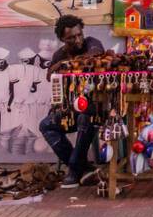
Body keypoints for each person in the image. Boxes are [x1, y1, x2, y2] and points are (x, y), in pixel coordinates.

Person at [38, 15, 106, 187]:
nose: (77, 40)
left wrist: (63, 64)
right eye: (71, 38)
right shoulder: (59, 54)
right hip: (70, 111)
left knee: (86, 116)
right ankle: (83, 169)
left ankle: (74, 170)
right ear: (62, 39)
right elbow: (50, 76)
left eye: (79, 35)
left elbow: (92, 57)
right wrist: (59, 64)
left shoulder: (92, 43)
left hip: (95, 109)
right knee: (46, 125)